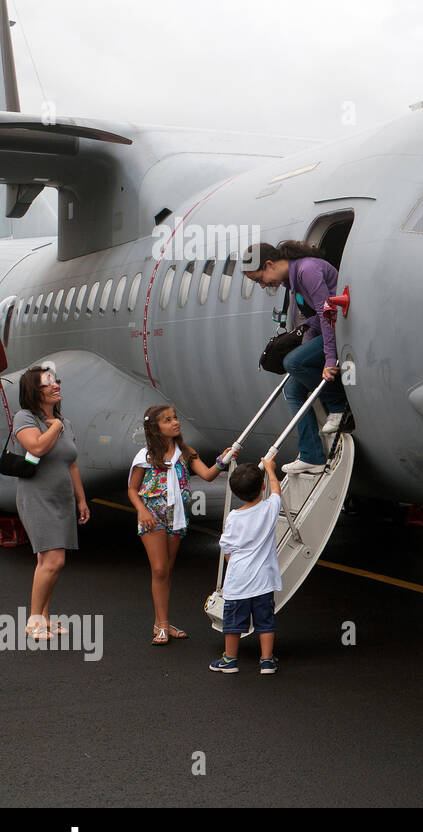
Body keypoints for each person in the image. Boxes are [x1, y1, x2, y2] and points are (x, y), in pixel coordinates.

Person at [127, 404, 238, 645]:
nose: (175, 422)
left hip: (177, 517)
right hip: (152, 515)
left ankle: (162, 623)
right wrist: (142, 510)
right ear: (156, 429)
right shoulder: (146, 457)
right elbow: (132, 489)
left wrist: (223, 460)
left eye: (175, 418)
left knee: (166, 570)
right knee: (158, 569)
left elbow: (208, 475)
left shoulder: (186, 452)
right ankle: (162, 626)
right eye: (167, 420)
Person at [244, 241, 349, 475]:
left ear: (270, 264)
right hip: (329, 331)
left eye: (259, 279)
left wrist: (330, 360)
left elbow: (328, 313)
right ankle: (312, 456)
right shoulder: (293, 281)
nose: (262, 286)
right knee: (291, 389)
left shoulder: (307, 270)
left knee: (293, 362)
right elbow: (316, 318)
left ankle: (339, 405)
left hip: (343, 330)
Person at [11, 366, 89, 640]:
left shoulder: (63, 422)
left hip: (61, 498)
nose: (56, 385)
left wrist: (81, 499)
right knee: (53, 560)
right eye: (48, 383)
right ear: (35, 390)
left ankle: (44, 616)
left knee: (47, 560)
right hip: (37, 497)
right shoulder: (25, 418)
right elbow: (37, 448)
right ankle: (33, 620)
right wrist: (54, 425)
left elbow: (72, 464)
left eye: (56, 381)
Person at [210, 448, 282, 674]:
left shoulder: (233, 517)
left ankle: (230, 659)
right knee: (265, 622)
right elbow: (277, 491)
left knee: (232, 623)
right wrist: (270, 469)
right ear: (262, 487)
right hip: (263, 580)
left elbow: (227, 548)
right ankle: (267, 661)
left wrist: (234, 563)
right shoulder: (270, 509)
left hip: (238, 580)